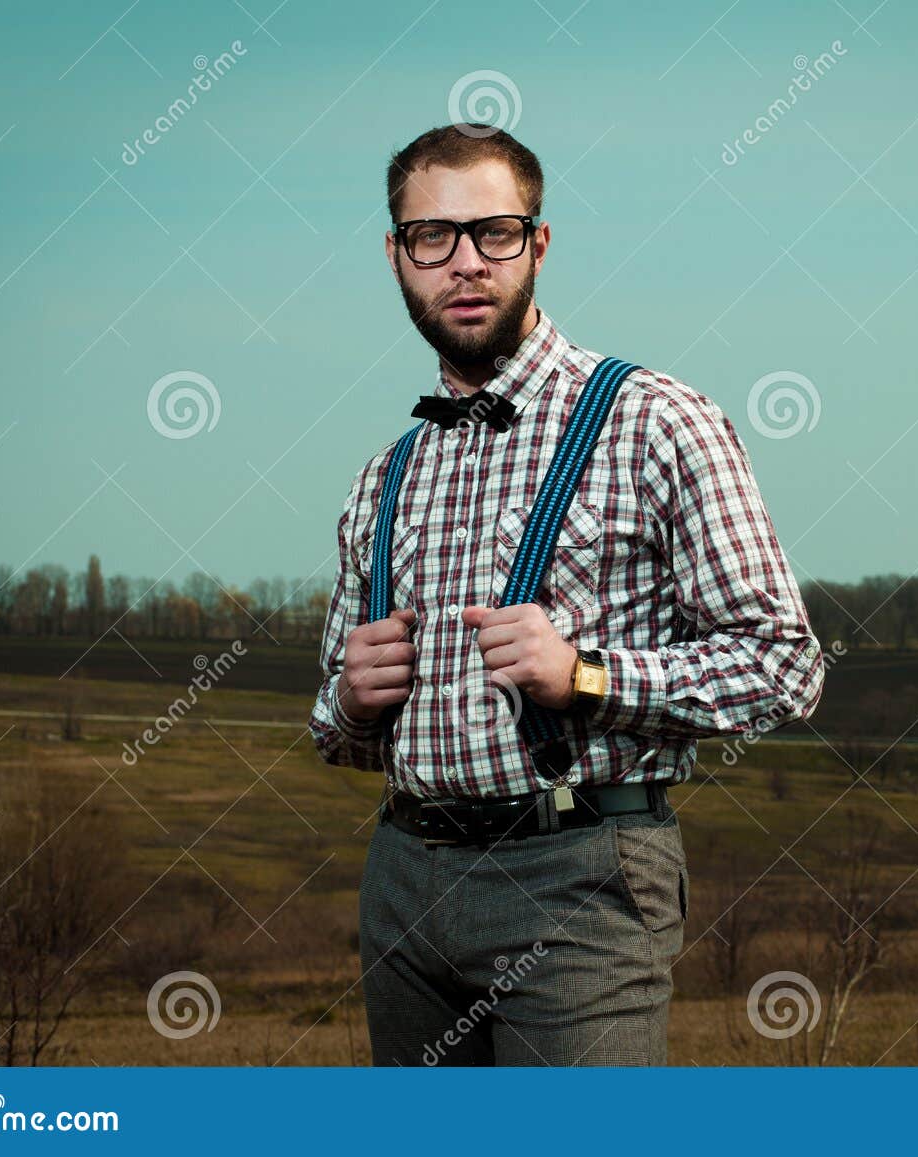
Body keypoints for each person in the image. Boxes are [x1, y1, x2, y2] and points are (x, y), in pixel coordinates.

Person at [309, 123, 825, 1066]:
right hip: (403, 881)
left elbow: (784, 666)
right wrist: (347, 701)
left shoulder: (657, 421)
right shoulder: (383, 478)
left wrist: (584, 675)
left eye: (494, 232)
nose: (466, 263)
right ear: (396, 256)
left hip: (578, 872)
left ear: (538, 244)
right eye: (433, 238)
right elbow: (334, 736)